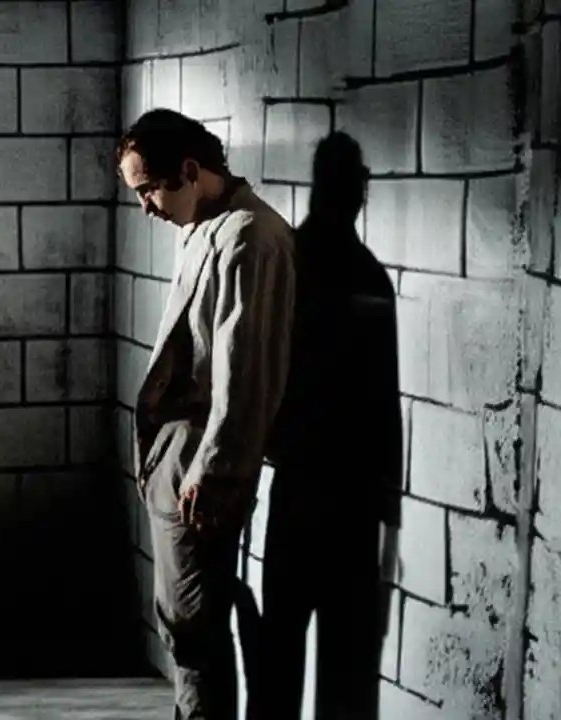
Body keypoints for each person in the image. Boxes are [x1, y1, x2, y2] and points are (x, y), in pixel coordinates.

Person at [117, 108, 296, 719]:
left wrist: (214, 471)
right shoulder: (205, 225)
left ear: (189, 170)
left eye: (147, 189)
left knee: (193, 627)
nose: (145, 206)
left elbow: (247, 374)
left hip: (200, 464)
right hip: (179, 455)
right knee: (184, 624)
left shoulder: (250, 236)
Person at [259, 131, 402, 720]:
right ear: (360, 192)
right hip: (352, 506)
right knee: (345, 673)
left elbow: (257, 378)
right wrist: (389, 513)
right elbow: (385, 412)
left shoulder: (285, 264)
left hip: (296, 490)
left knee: (278, 661)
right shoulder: (371, 279)